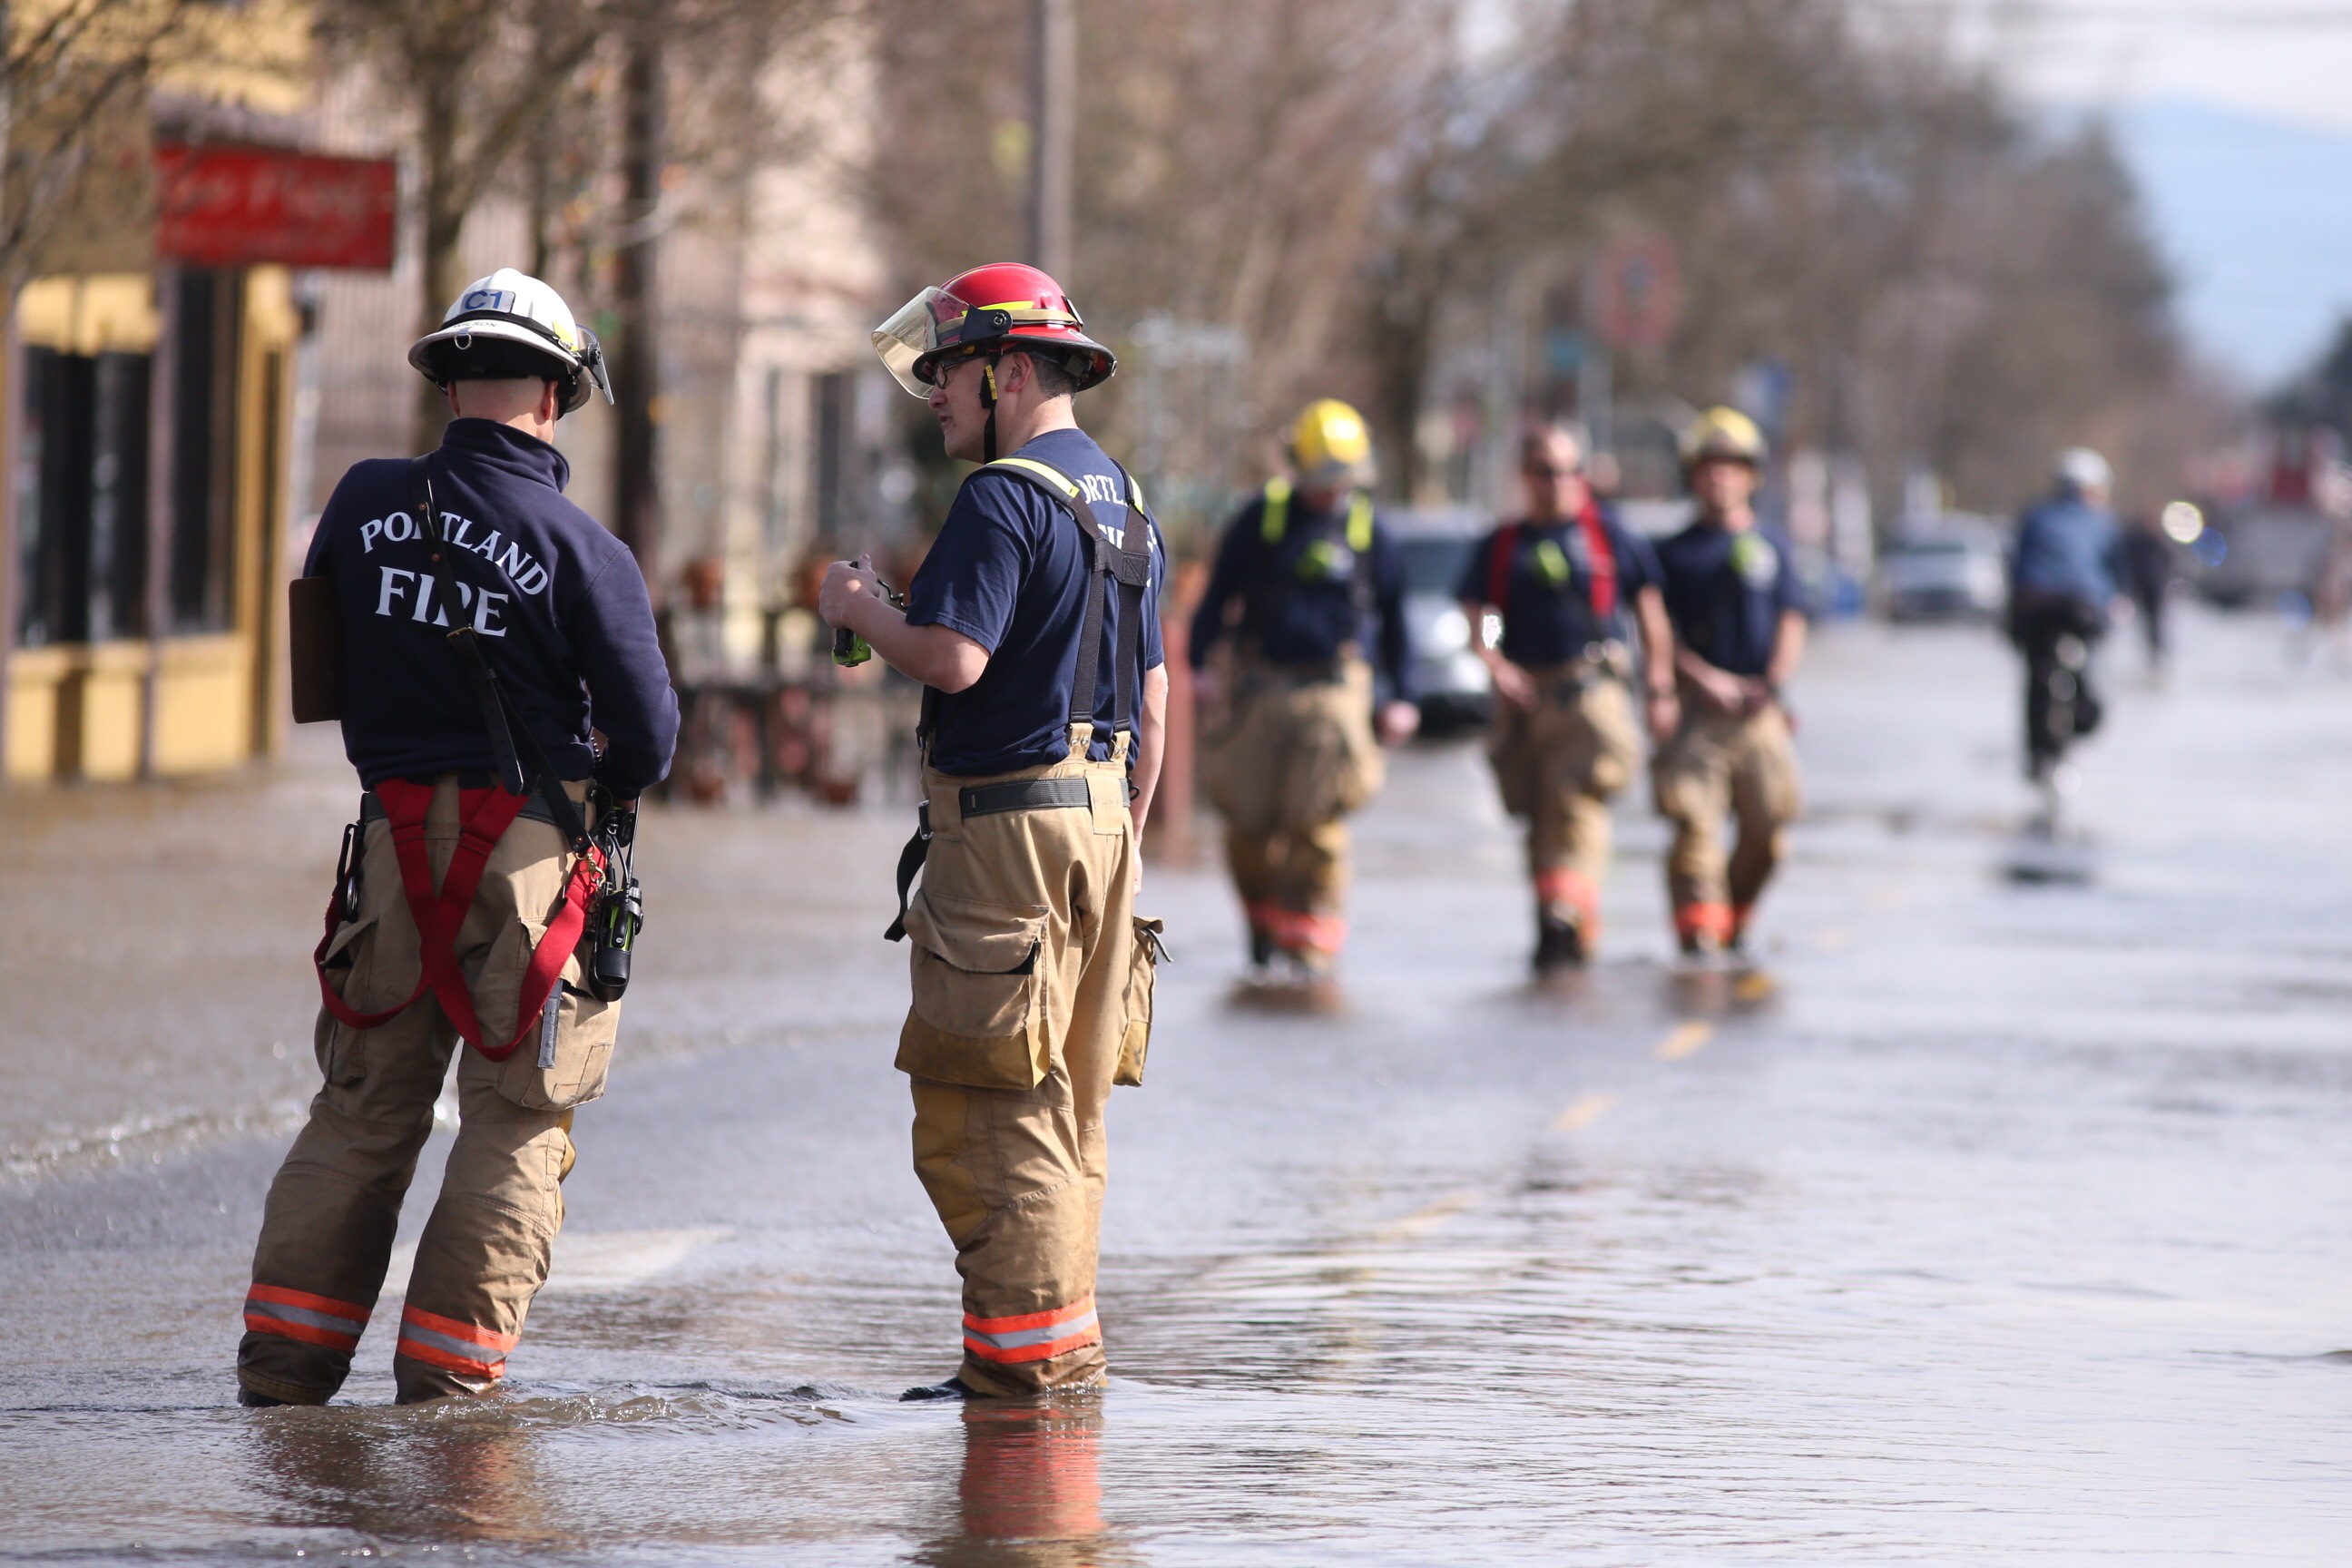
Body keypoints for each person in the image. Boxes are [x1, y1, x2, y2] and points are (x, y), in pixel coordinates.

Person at [239, 269, 678, 1407]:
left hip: (388, 853)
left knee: (362, 1109)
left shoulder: (360, 498)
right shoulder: (585, 550)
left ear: (449, 379)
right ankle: (446, 1382)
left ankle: (285, 1371)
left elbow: (323, 673)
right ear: (555, 394)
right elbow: (652, 739)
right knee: (518, 1119)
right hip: (529, 864)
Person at [821, 262, 1168, 1401]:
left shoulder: (1001, 496)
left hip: (1008, 834)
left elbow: (956, 659)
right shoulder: (1126, 502)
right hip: (1105, 825)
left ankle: (1028, 1381)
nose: (935, 395)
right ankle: (1050, 1356)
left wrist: (863, 613)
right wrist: (1119, 834)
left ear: (1012, 372)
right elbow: (1155, 701)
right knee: (1068, 1109)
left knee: (989, 1109)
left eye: (950, 371)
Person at [1188, 398, 1418, 977]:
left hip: (1336, 689)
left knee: (1316, 824)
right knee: (1245, 819)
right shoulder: (1261, 519)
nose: (1329, 493)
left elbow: (1396, 621)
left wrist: (1402, 698)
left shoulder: (1371, 531)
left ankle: (1310, 945)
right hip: (1261, 687)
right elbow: (1217, 597)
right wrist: (1198, 667)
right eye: (1320, 480)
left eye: (1340, 481)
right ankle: (1264, 922)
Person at [1458, 425, 1679, 972]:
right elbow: (1485, 614)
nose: (1556, 482)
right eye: (1544, 471)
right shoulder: (1504, 544)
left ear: (1582, 475)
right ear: (1524, 476)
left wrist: (1659, 687)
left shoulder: (1609, 537)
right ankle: (1561, 918)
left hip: (1591, 692)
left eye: (1566, 470)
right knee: (1539, 815)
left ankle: (1564, 913)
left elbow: (1649, 616)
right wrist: (1497, 663)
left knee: (1576, 801)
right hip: (1525, 701)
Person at [1650, 407, 1808, 960]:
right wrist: (1690, 681)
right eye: (1709, 465)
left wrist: (1775, 681)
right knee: (1693, 828)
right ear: (1692, 474)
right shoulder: (1672, 554)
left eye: (1733, 465)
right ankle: (1698, 941)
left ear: (1752, 475)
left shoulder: (1774, 547)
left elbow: (1793, 615)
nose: (1720, 476)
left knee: (1770, 831)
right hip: (1699, 713)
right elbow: (1656, 630)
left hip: (1758, 711)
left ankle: (1733, 915)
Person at [2009, 447, 2124, 797]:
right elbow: (2116, 573)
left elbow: (2016, 567)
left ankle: (2037, 756)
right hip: (2081, 609)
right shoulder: (2103, 522)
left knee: (2036, 677)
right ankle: (2082, 716)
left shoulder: (2036, 515)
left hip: (2036, 608)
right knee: (2087, 668)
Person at [2120, 509, 2176, 675]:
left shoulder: (2159, 542)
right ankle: (2147, 660)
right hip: (2141, 586)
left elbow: (2168, 563)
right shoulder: (2137, 541)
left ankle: (2158, 659)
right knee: (2144, 624)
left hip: (2156, 588)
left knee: (2157, 624)